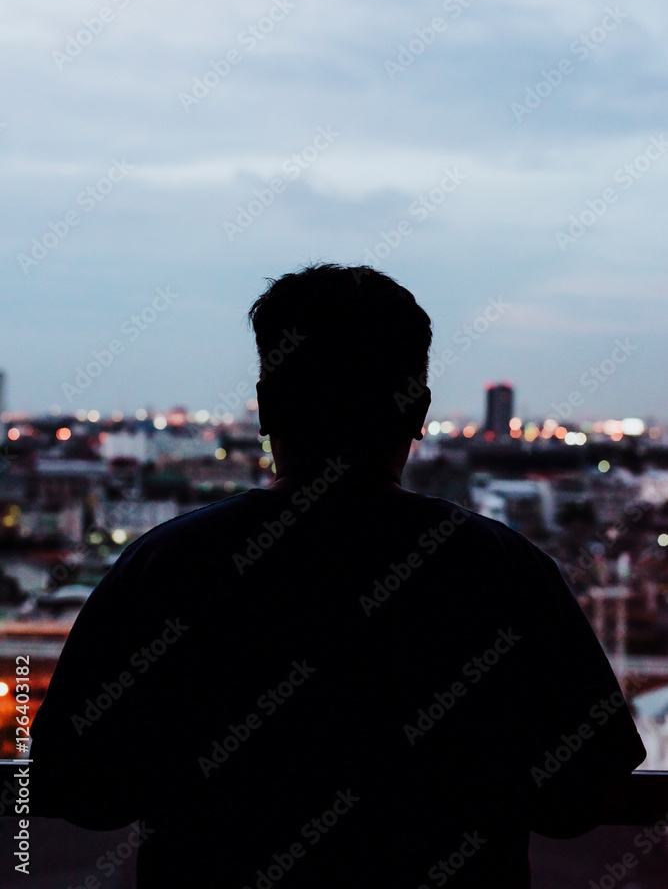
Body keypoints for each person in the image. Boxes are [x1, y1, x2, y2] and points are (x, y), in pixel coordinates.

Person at [30, 263, 646, 888]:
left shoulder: (165, 566)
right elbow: (588, 797)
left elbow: (75, 789)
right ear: (417, 411)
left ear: (267, 408)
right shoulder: (506, 571)